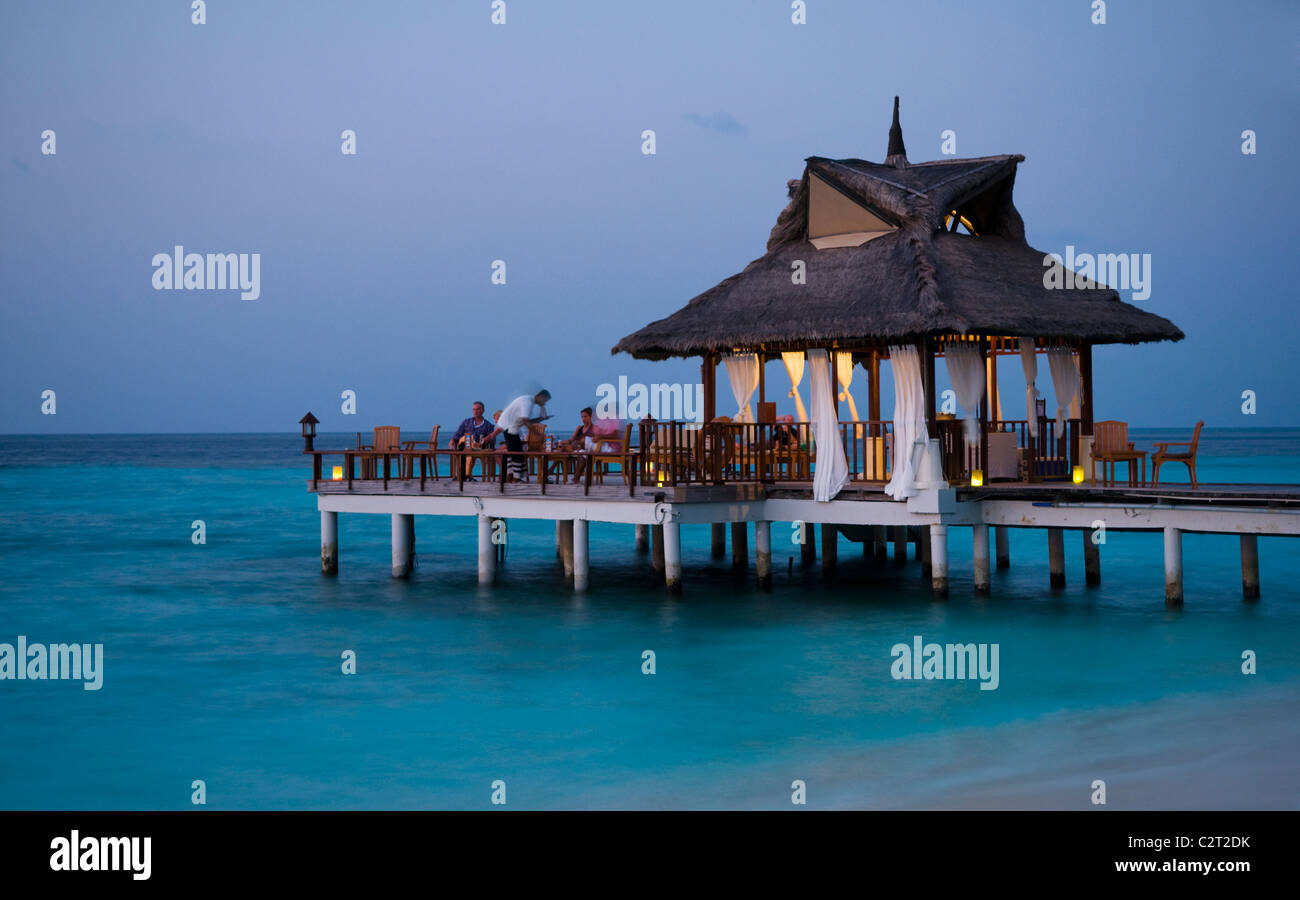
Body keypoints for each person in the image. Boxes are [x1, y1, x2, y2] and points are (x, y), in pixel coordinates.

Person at [483, 390, 551, 482]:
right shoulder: (527, 402)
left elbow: (526, 421)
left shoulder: (528, 401)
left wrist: (540, 419)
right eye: (544, 400)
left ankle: (510, 476)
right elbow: (526, 422)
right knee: (517, 454)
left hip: (508, 427)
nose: (544, 403)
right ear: (539, 396)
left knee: (513, 452)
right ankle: (516, 478)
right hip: (510, 427)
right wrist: (538, 434)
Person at [448, 401, 495, 480]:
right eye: (473, 409)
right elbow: (458, 433)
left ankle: (465, 475)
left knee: (468, 453)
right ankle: (467, 475)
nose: (475, 411)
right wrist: (452, 440)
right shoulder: (466, 422)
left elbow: (492, 439)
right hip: (464, 446)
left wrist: (482, 442)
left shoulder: (488, 425)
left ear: (483, 411)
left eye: (478, 409)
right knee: (468, 440)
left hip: (478, 448)